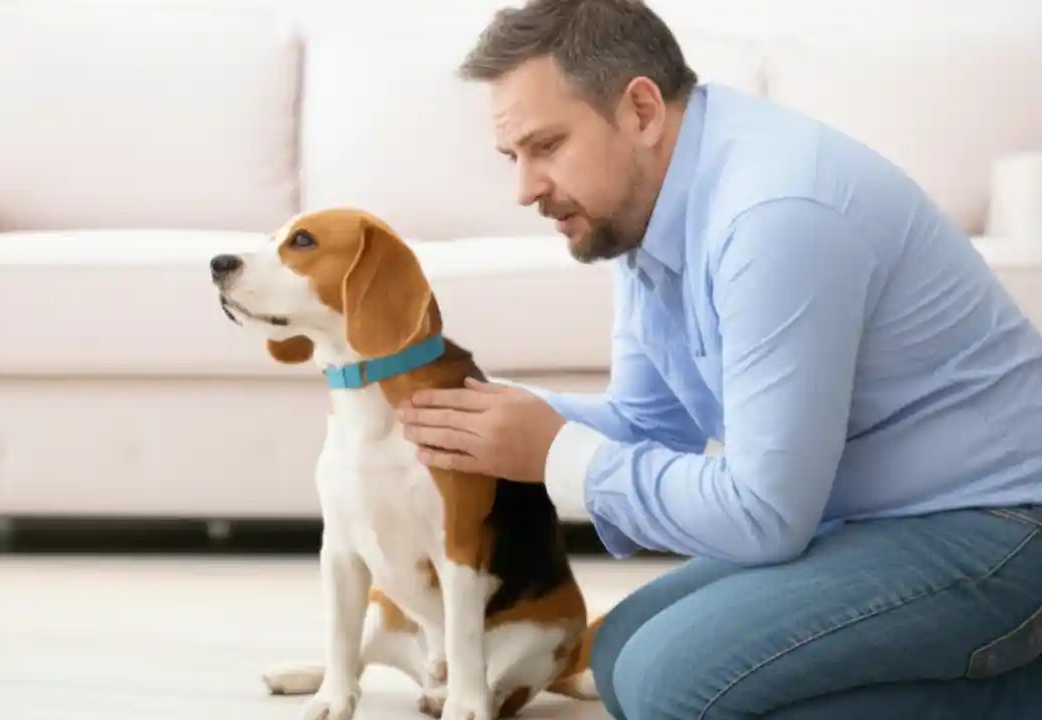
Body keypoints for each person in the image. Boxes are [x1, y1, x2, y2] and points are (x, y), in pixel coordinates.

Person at [395, 0, 1042, 717]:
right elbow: (648, 423)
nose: (525, 190)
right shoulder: (642, 206)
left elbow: (765, 515)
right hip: (875, 519)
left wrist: (555, 455)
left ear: (640, 110)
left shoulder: (773, 215)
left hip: (1001, 525)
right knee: (620, 652)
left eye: (546, 146)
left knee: (677, 685)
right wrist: (471, 413)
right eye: (512, 157)